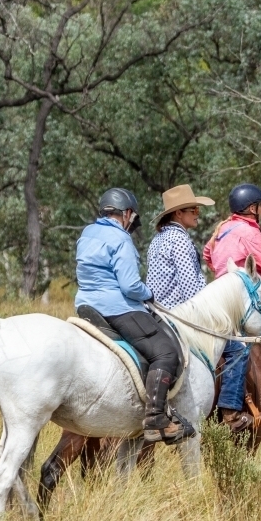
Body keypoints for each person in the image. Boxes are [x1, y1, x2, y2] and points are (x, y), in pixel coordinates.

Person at [74, 188, 195, 445]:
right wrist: (148, 292)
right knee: (165, 353)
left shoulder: (87, 233)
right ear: (126, 213)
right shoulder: (120, 238)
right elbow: (130, 286)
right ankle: (155, 419)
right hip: (118, 308)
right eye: (132, 216)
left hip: (86, 306)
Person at [202, 183, 261, 433]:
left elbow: (208, 255)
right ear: (252, 208)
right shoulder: (249, 231)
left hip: (221, 296)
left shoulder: (223, 229)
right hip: (244, 297)